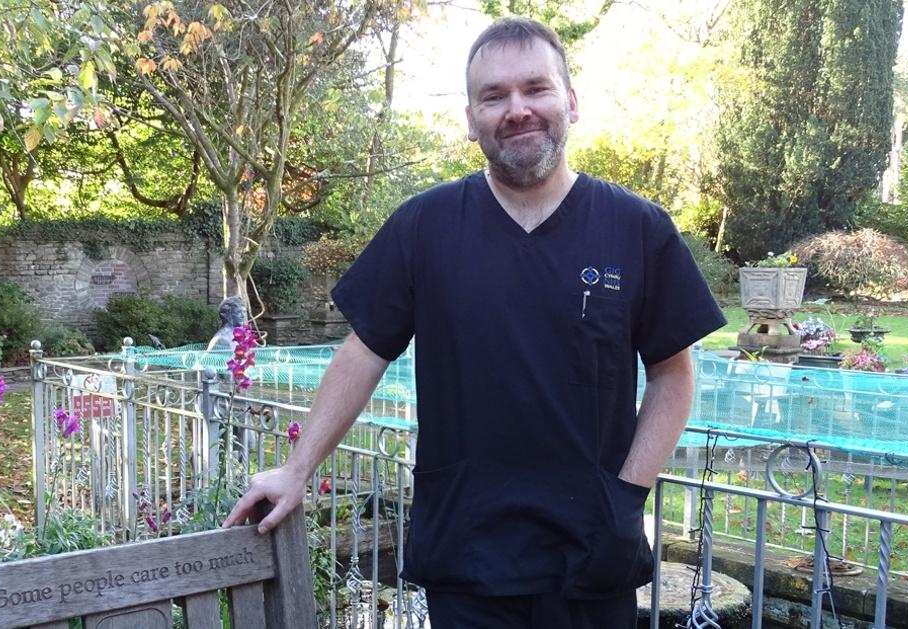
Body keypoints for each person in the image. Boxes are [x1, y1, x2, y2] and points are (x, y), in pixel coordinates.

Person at [222, 16, 726, 628]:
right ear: (470, 119)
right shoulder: (424, 228)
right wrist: (295, 470)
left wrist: (626, 497)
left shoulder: (637, 229)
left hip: (593, 549)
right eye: (493, 96)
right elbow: (363, 353)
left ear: (570, 101)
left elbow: (673, 373)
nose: (517, 109)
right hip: (468, 552)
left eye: (535, 88)